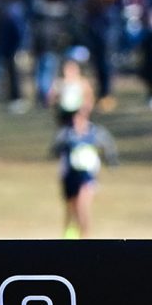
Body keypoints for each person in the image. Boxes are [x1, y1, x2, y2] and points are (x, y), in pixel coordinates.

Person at [52, 98, 118, 239]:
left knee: (83, 207)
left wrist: (112, 162)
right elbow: (54, 150)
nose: (77, 119)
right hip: (69, 176)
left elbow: (108, 146)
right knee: (71, 209)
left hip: (87, 176)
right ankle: (69, 236)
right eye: (75, 116)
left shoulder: (95, 132)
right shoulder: (66, 133)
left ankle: (85, 237)